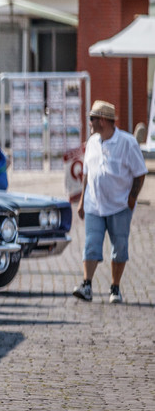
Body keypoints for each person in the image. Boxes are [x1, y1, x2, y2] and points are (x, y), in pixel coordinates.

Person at [73, 100, 147, 304]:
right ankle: (86, 285)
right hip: (94, 205)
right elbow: (87, 174)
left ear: (103, 121)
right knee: (90, 245)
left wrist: (131, 200)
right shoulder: (92, 143)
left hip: (119, 206)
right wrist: (82, 201)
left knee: (119, 247)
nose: (89, 123)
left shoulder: (127, 142)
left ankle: (115, 287)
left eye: (92, 119)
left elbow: (140, 174)